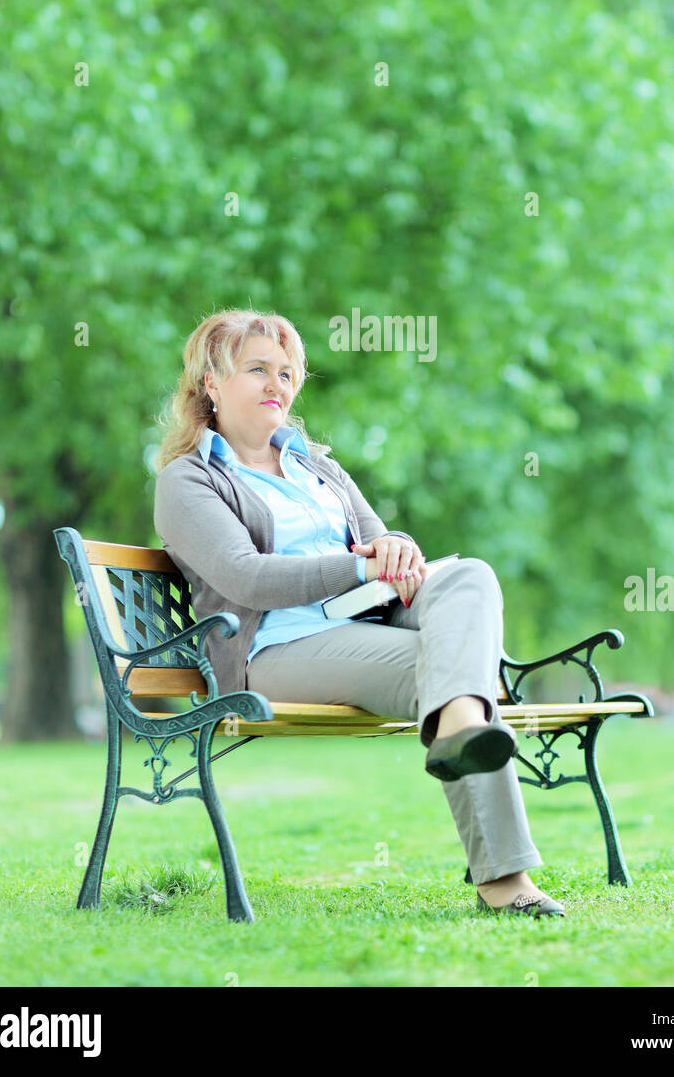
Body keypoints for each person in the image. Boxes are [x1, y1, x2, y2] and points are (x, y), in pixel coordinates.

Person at [153, 307, 565, 919]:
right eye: (258, 369)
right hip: (274, 652)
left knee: (470, 577)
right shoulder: (189, 480)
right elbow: (246, 576)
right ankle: (505, 881)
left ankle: (457, 727)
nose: (279, 385)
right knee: (456, 674)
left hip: (364, 623)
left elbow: (381, 545)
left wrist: (395, 548)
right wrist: (360, 567)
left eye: (288, 373)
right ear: (211, 384)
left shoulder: (315, 465)